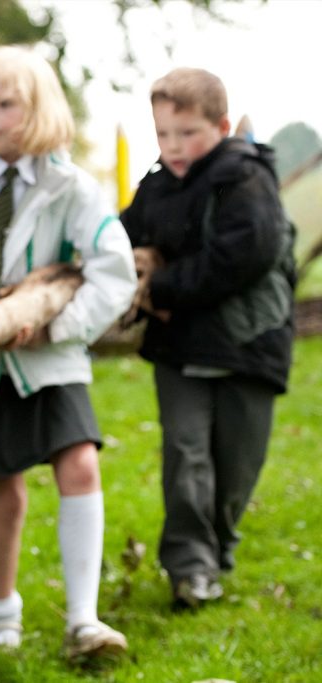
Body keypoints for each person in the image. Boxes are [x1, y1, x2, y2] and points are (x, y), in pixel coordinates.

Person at [0, 45, 136, 660]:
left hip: (49, 355)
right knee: (4, 490)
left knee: (81, 466)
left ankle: (84, 621)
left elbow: (113, 272)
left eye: (5, 104)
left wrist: (54, 323)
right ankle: (1, 613)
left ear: (37, 108)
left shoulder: (70, 186)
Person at [121, 67, 295, 610]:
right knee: (186, 453)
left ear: (220, 125)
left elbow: (244, 255)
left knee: (237, 462)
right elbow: (119, 237)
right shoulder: (155, 186)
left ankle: (217, 545)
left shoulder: (245, 177)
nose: (174, 146)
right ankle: (190, 566)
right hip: (180, 348)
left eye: (187, 132)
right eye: (163, 134)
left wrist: (163, 287)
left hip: (249, 344)